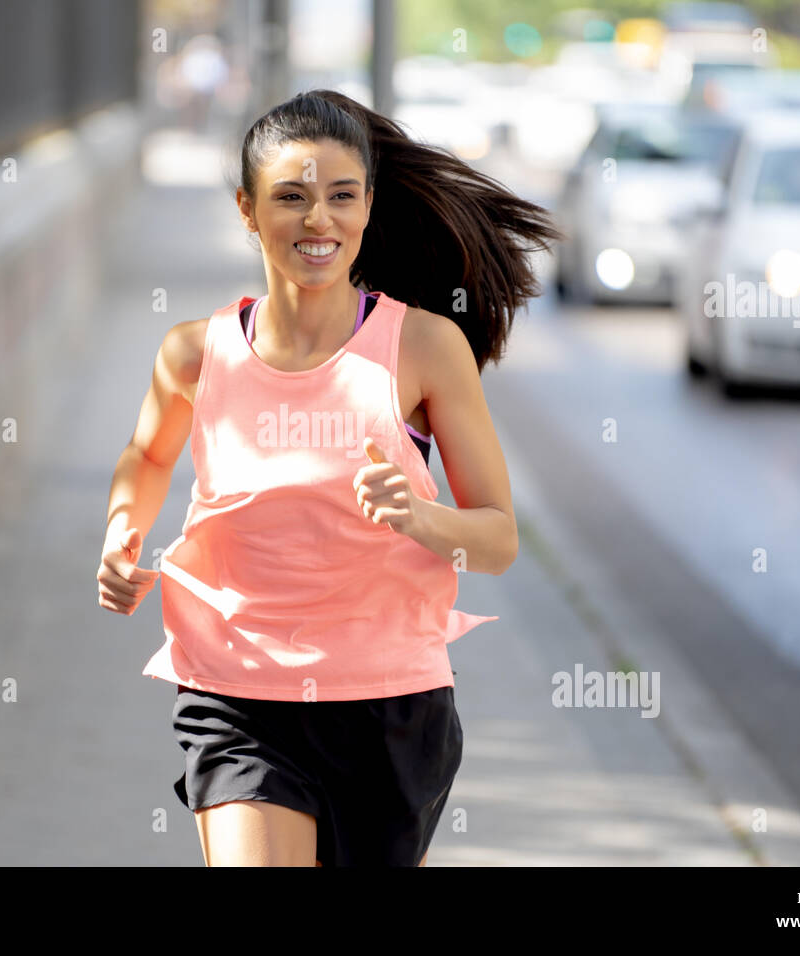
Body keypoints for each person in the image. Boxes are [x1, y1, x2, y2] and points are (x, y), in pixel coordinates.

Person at [97, 89, 561, 867]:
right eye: (291, 197)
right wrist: (121, 530)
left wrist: (422, 516)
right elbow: (146, 457)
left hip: (388, 707)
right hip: (236, 695)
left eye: (342, 196)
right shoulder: (193, 353)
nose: (319, 220)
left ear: (369, 206)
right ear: (248, 211)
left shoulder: (423, 347)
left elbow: (498, 540)